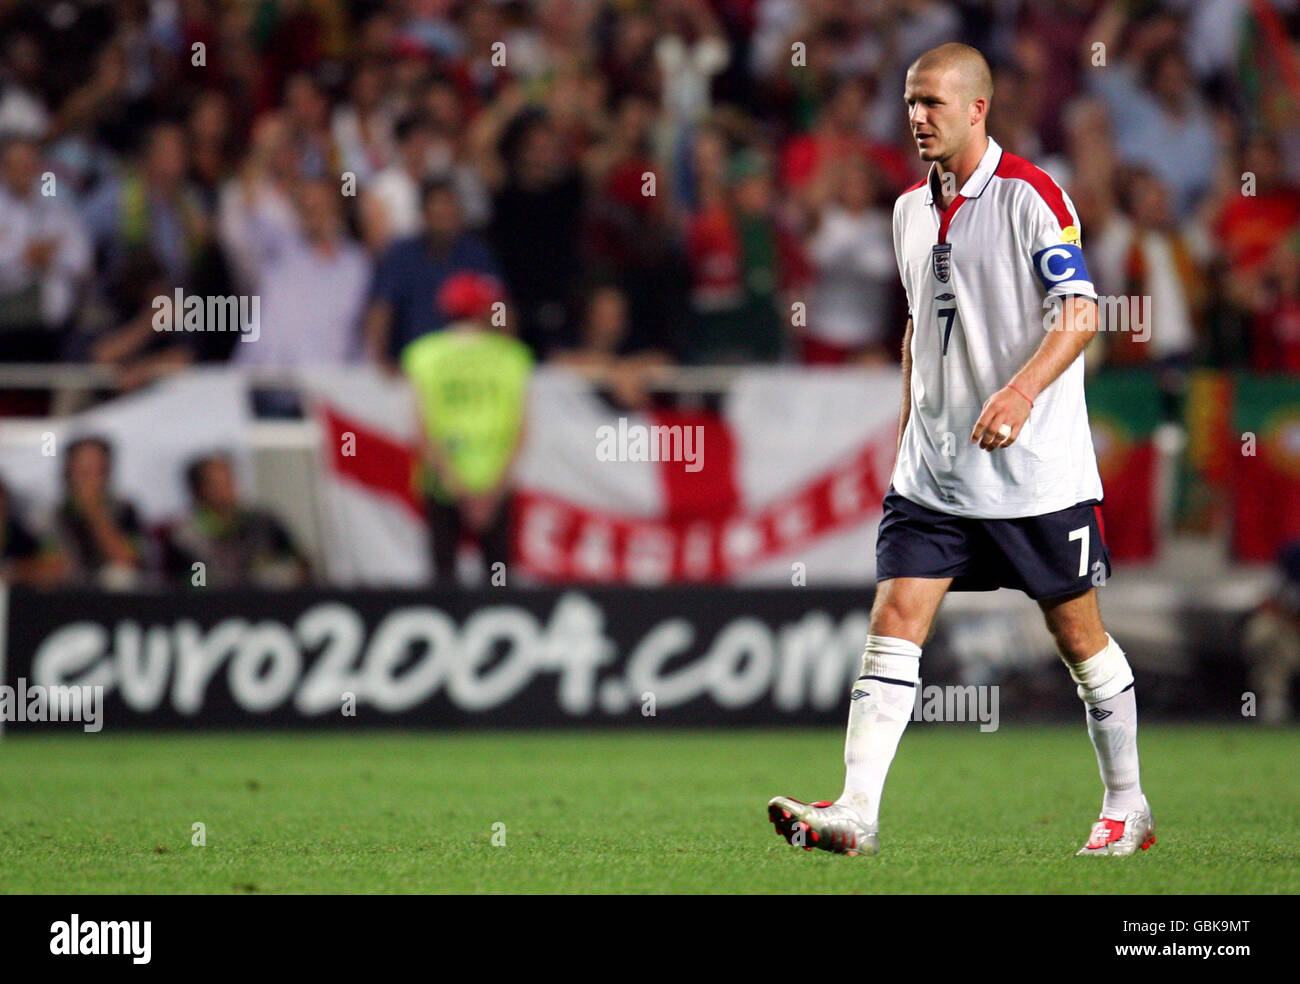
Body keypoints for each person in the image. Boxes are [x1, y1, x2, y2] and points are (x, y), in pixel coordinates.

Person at [768, 43, 1154, 859]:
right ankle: (857, 811)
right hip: (937, 473)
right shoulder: (909, 208)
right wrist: (912, 425)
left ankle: (1128, 804)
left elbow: (1082, 314)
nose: (917, 117)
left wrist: (1018, 393)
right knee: (894, 617)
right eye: (911, 102)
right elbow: (918, 324)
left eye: (934, 103)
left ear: (979, 108)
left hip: (1033, 473)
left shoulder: (1032, 196)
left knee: (1079, 637)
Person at [402, 272, 531, 586]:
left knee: (443, 576)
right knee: (499, 577)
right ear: (484, 309)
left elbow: (420, 428)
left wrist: (457, 487)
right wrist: (492, 491)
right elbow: (523, 428)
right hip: (494, 481)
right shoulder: (511, 356)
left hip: (441, 481)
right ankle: (502, 630)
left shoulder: (424, 354)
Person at [163, 454, 309, 589]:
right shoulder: (184, 537)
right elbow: (188, 583)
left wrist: (274, 574)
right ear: (198, 489)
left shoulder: (263, 523)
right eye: (215, 484)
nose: (225, 489)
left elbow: (299, 565)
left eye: (228, 481)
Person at [51, 435, 144, 589]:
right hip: (63, 592)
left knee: (120, 576)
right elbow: (50, 564)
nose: (89, 478)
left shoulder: (124, 509)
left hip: (108, 596)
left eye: (97, 469)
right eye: (83, 470)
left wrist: (94, 512)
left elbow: (128, 560)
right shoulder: (54, 513)